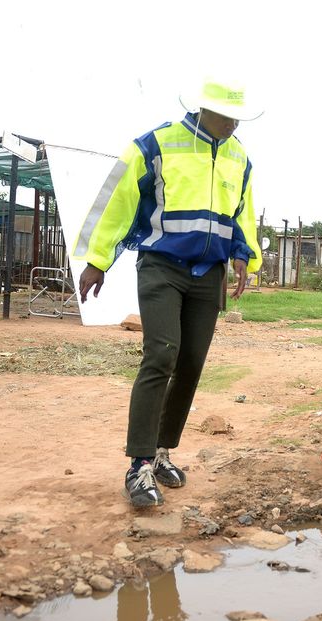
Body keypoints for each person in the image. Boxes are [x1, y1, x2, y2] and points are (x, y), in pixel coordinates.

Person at [74, 79, 262, 508]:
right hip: (162, 267)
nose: (234, 124)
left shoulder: (238, 157)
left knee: (191, 363)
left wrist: (243, 255)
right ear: (201, 110)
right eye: (227, 115)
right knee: (161, 354)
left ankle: (161, 454)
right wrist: (97, 258)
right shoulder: (156, 145)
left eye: (239, 117)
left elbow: (242, 213)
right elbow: (116, 201)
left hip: (208, 273)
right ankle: (138, 465)